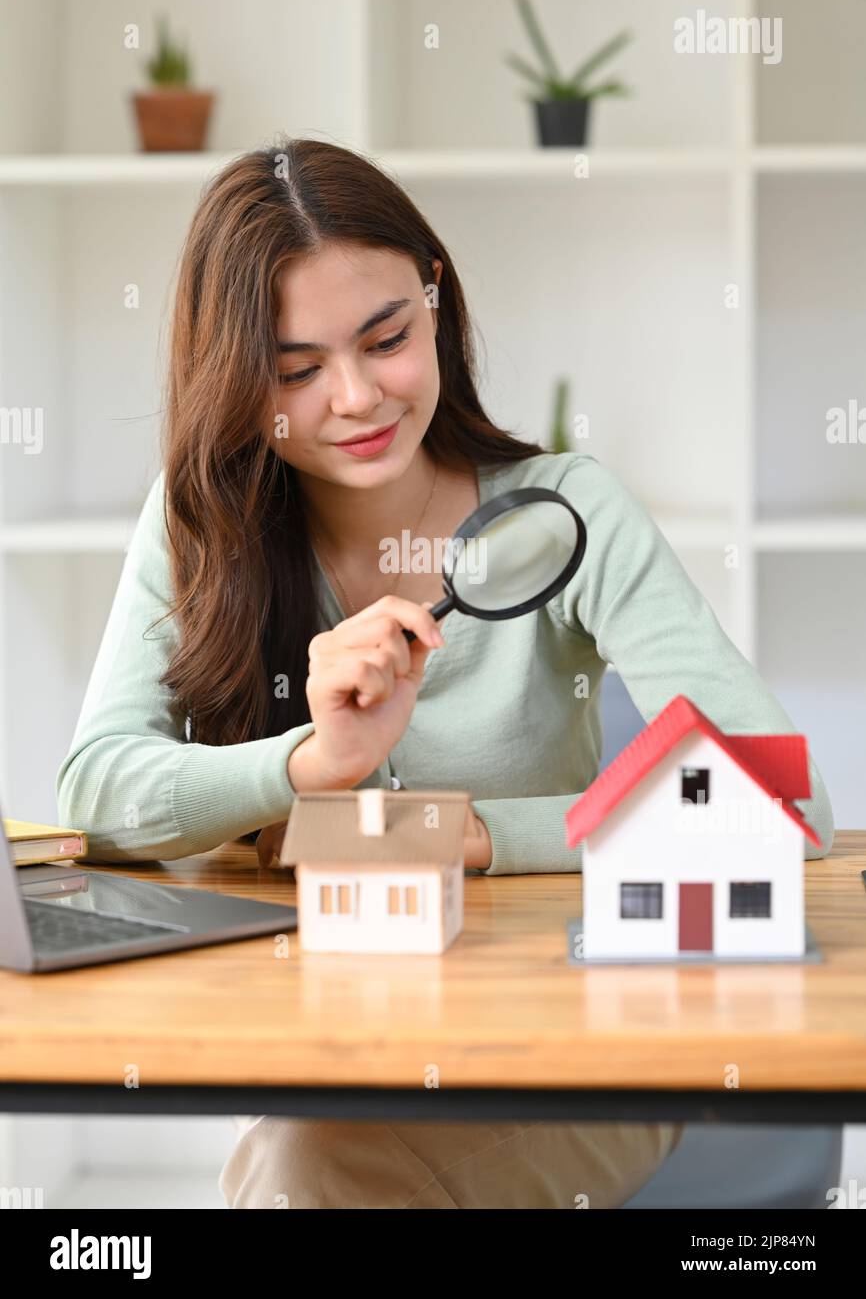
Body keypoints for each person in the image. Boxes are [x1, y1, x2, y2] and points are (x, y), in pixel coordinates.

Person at [56, 136, 834, 1209]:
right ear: (237, 379)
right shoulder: (202, 524)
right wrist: (311, 761)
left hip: (573, 1052)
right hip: (325, 1049)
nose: (356, 396)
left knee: (309, 1175)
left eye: (386, 338)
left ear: (436, 304)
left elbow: (786, 804)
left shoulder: (566, 510)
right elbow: (96, 791)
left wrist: (470, 836)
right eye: (295, 369)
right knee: (304, 1154)